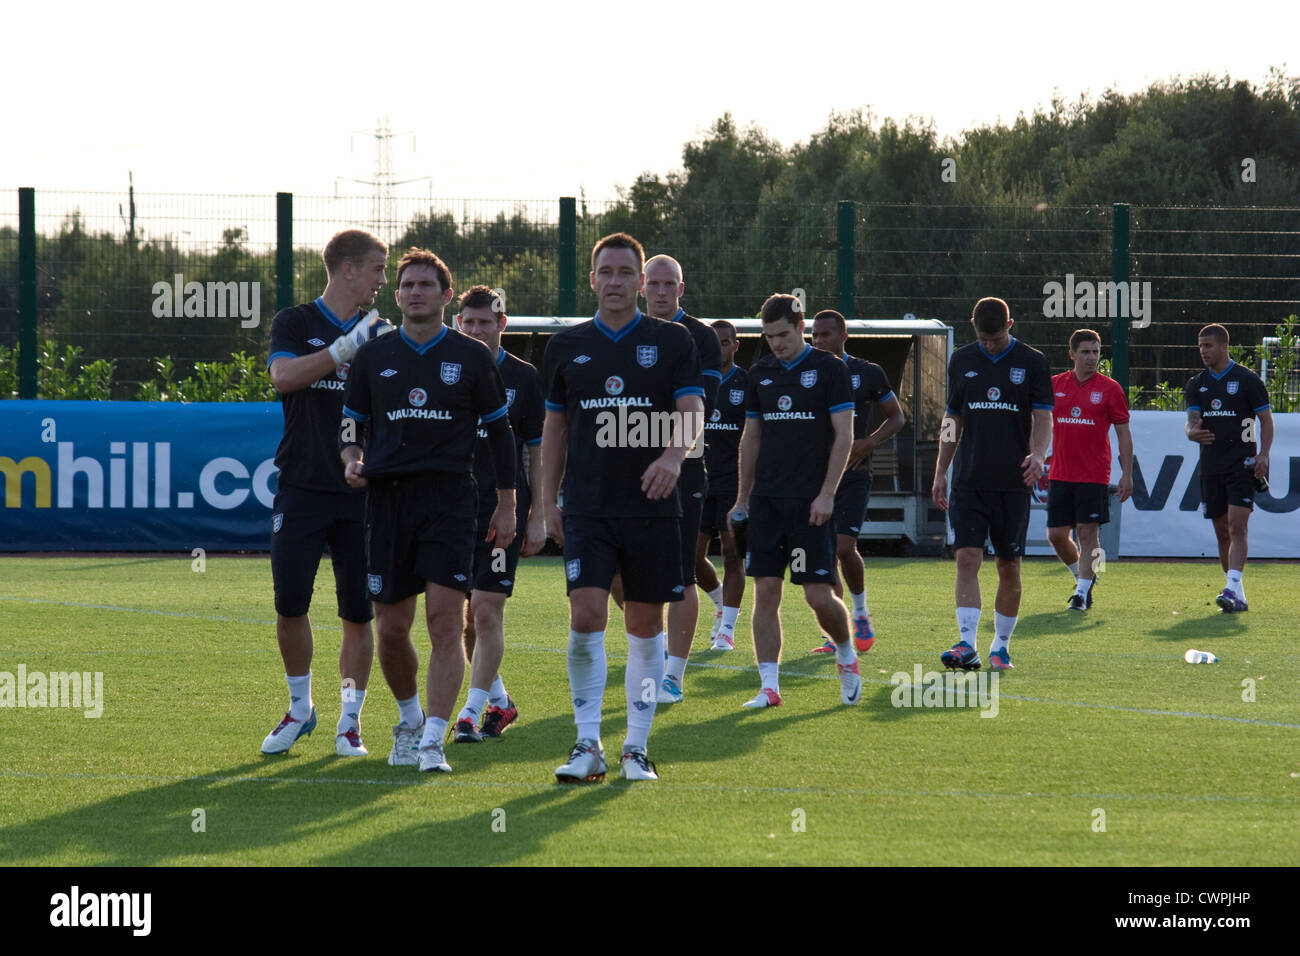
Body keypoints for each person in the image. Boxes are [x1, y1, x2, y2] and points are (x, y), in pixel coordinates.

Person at [339, 249, 516, 775]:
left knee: (444, 622)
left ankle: (435, 740)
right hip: (388, 500)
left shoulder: (472, 356)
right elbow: (350, 427)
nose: (415, 292)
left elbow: (502, 436)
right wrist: (352, 460)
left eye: (426, 284)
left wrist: (508, 505)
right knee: (391, 628)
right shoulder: (373, 357)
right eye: (407, 285)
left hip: (449, 501)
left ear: (446, 295)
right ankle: (411, 721)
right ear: (397, 296)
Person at [534, 232, 704, 782]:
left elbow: (692, 408)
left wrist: (673, 458)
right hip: (587, 507)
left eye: (624, 273)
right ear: (592, 280)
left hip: (653, 508)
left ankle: (634, 747)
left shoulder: (674, 342)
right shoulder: (564, 347)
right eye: (604, 272)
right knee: (585, 616)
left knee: (644, 625)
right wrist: (545, 501)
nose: (615, 282)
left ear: (639, 280)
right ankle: (587, 745)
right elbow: (554, 430)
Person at [261, 228, 393, 757]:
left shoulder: (385, 334)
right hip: (300, 487)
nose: (384, 280)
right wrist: (342, 349)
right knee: (289, 602)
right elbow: (284, 376)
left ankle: (349, 720)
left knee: (358, 612)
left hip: (362, 492)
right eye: (378, 269)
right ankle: (300, 708)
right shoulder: (295, 322)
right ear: (347, 270)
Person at [728, 294, 861, 709]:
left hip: (810, 504)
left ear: (801, 327)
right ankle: (769, 687)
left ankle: (846, 654)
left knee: (818, 596)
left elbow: (845, 437)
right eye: (769, 337)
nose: (776, 344)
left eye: (783, 334)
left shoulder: (829, 370)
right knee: (765, 592)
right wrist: (741, 499)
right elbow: (751, 438)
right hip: (767, 502)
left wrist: (826, 494)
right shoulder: (761, 373)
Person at [932, 297, 1052, 672]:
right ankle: (966, 644)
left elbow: (1043, 415)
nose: (990, 345)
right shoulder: (962, 360)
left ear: (1011, 325)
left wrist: (1038, 455)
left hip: (1012, 482)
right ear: (974, 328)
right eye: (984, 339)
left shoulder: (1032, 362)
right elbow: (952, 419)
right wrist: (940, 471)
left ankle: (1001, 645)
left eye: (996, 339)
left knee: (1008, 565)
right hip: (969, 480)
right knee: (967, 557)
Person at [451, 286, 544, 741]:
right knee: (460, 618)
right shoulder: (444, 370)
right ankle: (501, 703)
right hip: (450, 508)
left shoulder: (524, 378)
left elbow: (537, 450)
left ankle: (468, 714)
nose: (475, 330)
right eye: (467, 322)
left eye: (484, 322)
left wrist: (539, 513)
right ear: (457, 324)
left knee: (486, 611)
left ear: (502, 325)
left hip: (501, 512)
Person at [642, 255, 721, 704]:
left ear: (681, 289)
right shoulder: (628, 331)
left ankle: (673, 674)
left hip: (684, 465)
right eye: (653, 283)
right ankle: (651, 652)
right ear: (642, 287)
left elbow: (698, 404)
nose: (660, 291)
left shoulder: (701, 337)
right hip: (627, 463)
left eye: (669, 283)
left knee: (682, 570)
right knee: (620, 572)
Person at [807, 310, 904, 654]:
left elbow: (897, 417)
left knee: (843, 547)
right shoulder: (806, 372)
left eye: (826, 335)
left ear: (844, 335)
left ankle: (860, 612)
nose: (818, 341)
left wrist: (868, 442)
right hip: (815, 478)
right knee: (825, 553)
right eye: (815, 335)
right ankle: (837, 633)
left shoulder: (867, 373)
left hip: (854, 476)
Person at [1184, 324, 1272, 612]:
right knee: (1222, 531)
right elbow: (1192, 419)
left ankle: (1231, 587)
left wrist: (1264, 454)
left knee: (1237, 526)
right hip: (1211, 466)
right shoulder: (1197, 384)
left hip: (1242, 465)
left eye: (1208, 345)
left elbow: (1267, 421)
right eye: (1200, 346)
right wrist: (1190, 432)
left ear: (1224, 347)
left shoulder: (1247, 380)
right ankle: (1238, 593)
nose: (1203, 351)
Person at [1046, 329, 1134, 611]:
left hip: (1094, 474)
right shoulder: (1054, 385)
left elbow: (1123, 434)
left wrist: (1127, 473)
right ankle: (1083, 578)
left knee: (1088, 533)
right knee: (1056, 535)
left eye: (1096, 352)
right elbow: (1036, 422)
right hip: (1060, 473)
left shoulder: (1110, 389)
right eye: (1085, 352)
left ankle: (1082, 593)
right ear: (1071, 354)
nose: (1092, 358)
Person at [697, 319, 746, 650]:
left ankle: (727, 629)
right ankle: (719, 602)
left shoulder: (748, 382)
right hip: (698, 476)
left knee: (733, 553)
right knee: (691, 559)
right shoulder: (695, 380)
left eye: (725, 343)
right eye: (714, 343)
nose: (720, 348)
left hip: (735, 480)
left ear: (735, 345)